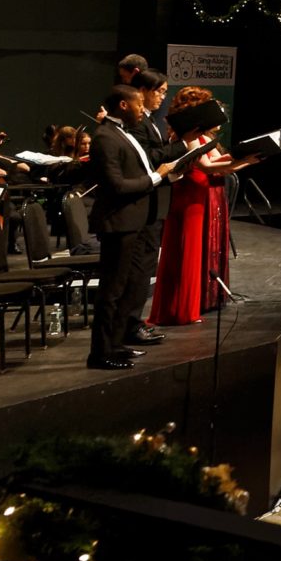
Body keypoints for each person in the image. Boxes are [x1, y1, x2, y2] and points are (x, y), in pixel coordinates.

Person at [87, 85, 179, 370]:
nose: (143, 109)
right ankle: (99, 353)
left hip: (134, 221)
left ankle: (115, 345)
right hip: (118, 223)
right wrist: (156, 178)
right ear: (124, 105)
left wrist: (165, 175)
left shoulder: (121, 133)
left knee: (125, 286)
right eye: (139, 104)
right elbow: (116, 185)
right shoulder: (104, 137)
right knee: (111, 290)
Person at [148, 88, 256, 326]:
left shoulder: (203, 137)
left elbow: (218, 162)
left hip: (201, 195)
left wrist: (245, 157)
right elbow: (208, 167)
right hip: (190, 196)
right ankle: (181, 308)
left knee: (197, 250)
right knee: (187, 250)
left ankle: (194, 302)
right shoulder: (188, 136)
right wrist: (244, 161)